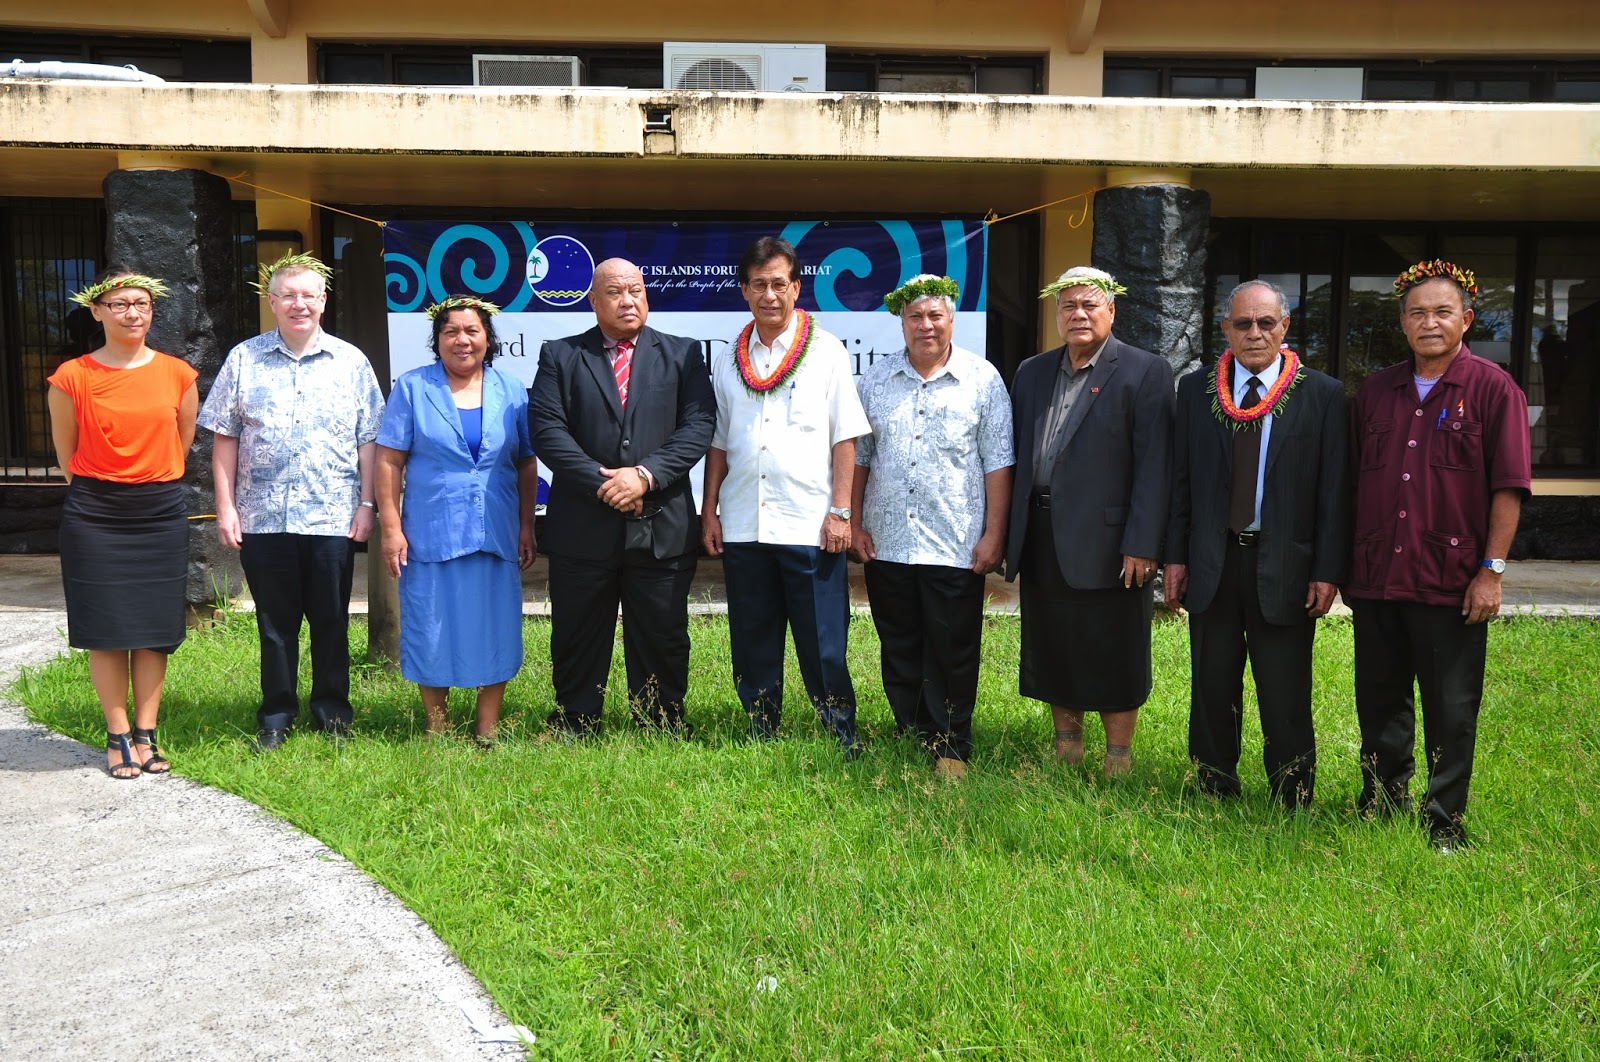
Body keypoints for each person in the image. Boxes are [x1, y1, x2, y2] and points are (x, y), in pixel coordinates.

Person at [1346, 259, 1531, 852]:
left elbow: (1509, 488)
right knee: (1379, 697)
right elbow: (1350, 483)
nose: (1430, 322)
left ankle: (1444, 820)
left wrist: (1491, 572)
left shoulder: (1493, 390)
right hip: (1378, 575)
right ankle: (1381, 798)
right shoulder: (1376, 393)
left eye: (1442, 312)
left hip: (1450, 580)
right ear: (1402, 323)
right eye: (1418, 312)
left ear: (1467, 320)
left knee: (1451, 706)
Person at [1163, 280, 1351, 808]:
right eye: (1242, 323)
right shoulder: (1196, 392)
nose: (1254, 333)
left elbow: (1336, 492)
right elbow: (1183, 483)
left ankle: (1291, 792)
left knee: (1284, 686)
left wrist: (1328, 570)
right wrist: (1175, 557)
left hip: (1286, 565)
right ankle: (1212, 783)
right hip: (1213, 561)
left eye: (1266, 323)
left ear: (1284, 327)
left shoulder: (1323, 394)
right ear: (1225, 329)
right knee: (1212, 682)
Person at [198, 251, 385, 751]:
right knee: (275, 625)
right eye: (287, 295)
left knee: (331, 620)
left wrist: (367, 505)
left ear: (323, 302)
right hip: (262, 518)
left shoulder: (351, 362)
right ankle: (276, 714)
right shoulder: (245, 358)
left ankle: (332, 714)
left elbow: (370, 438)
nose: (298, 304)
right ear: (272, 302)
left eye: (308, 295)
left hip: (332, 517)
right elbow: (224, 438)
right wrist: (226, 507)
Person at [702, 237, 872, 757]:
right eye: (759, 285)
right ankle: (760, 729)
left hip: (809, 523)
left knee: (823, 639)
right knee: (752, 635)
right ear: (744, 291)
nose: (770, 294)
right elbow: (719, 440)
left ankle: (838, 732)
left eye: (780, 283)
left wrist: (841, 512)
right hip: (746, 522)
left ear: (797, 287)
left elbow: (846, 435)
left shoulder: (827, 351)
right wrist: (709, 511)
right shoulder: (731, 359)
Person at [530, 259, 715, 736]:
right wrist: (607, 484)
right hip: (583, 525)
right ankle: (576, 719)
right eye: (614, 292)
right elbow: (548, 432)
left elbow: (697, 427)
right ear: (593, 301)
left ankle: (661, 721)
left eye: (636, 290)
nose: (627, 300)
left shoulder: (683, 354)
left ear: (647, 296)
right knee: (576, 632)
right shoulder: (560, 355)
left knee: (662, 631)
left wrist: (644, 477)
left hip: (661, 522)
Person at [1004, 266, 1173, 778]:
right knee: (1053, 642)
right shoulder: (1031, 372)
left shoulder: (1145, 370)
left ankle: (1117, 756)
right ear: (1056, 314)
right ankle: (1067, 743)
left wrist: (1143, 543)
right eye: (1068, 306)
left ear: (1112, 311)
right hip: (1041, 532)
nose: (1078, 314)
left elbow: (1155, 465)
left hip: (1112, 541)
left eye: (1089, 305)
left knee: (1115, 647)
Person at [850, 274, 1013, 780]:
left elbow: (998, 462)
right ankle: (910, 731)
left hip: (956, 543)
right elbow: (859, 457)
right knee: (898, 643)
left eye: (935, 316)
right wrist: (853, 523)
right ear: (901, 321)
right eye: (916, 316)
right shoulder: (874, 382)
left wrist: (994, 535)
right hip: (890, 542)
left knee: (953, 647)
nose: (926, 325)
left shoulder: (983, 380)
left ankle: (950, 744)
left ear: (951, 320)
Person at [47, 269, 198, 778]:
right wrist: (105, 487)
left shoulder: (179, 373)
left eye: (141, 303)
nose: (133, 313)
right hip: (95, 513)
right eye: (120, 304)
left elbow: (182, 439)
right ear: (97, 311)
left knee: (155, 629)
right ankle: (116, 736)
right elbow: (66, 455)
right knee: (107, 629)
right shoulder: (72, 377)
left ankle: (147, 733)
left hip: (159, 511)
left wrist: (149, 479)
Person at [375, 296, 537, 744]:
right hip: (431, 531)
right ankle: (437, 726)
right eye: (451, 332)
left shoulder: (512, 391)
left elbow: (526, 463)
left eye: (472, 331)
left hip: (496, 530)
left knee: (496, 622)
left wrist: (527, 525)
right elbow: (388, 462)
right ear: (437, 340)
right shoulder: (411, 388)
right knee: (432, 622)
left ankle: (487, 728)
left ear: (488, 339)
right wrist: (391, 529)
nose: (462, 340)